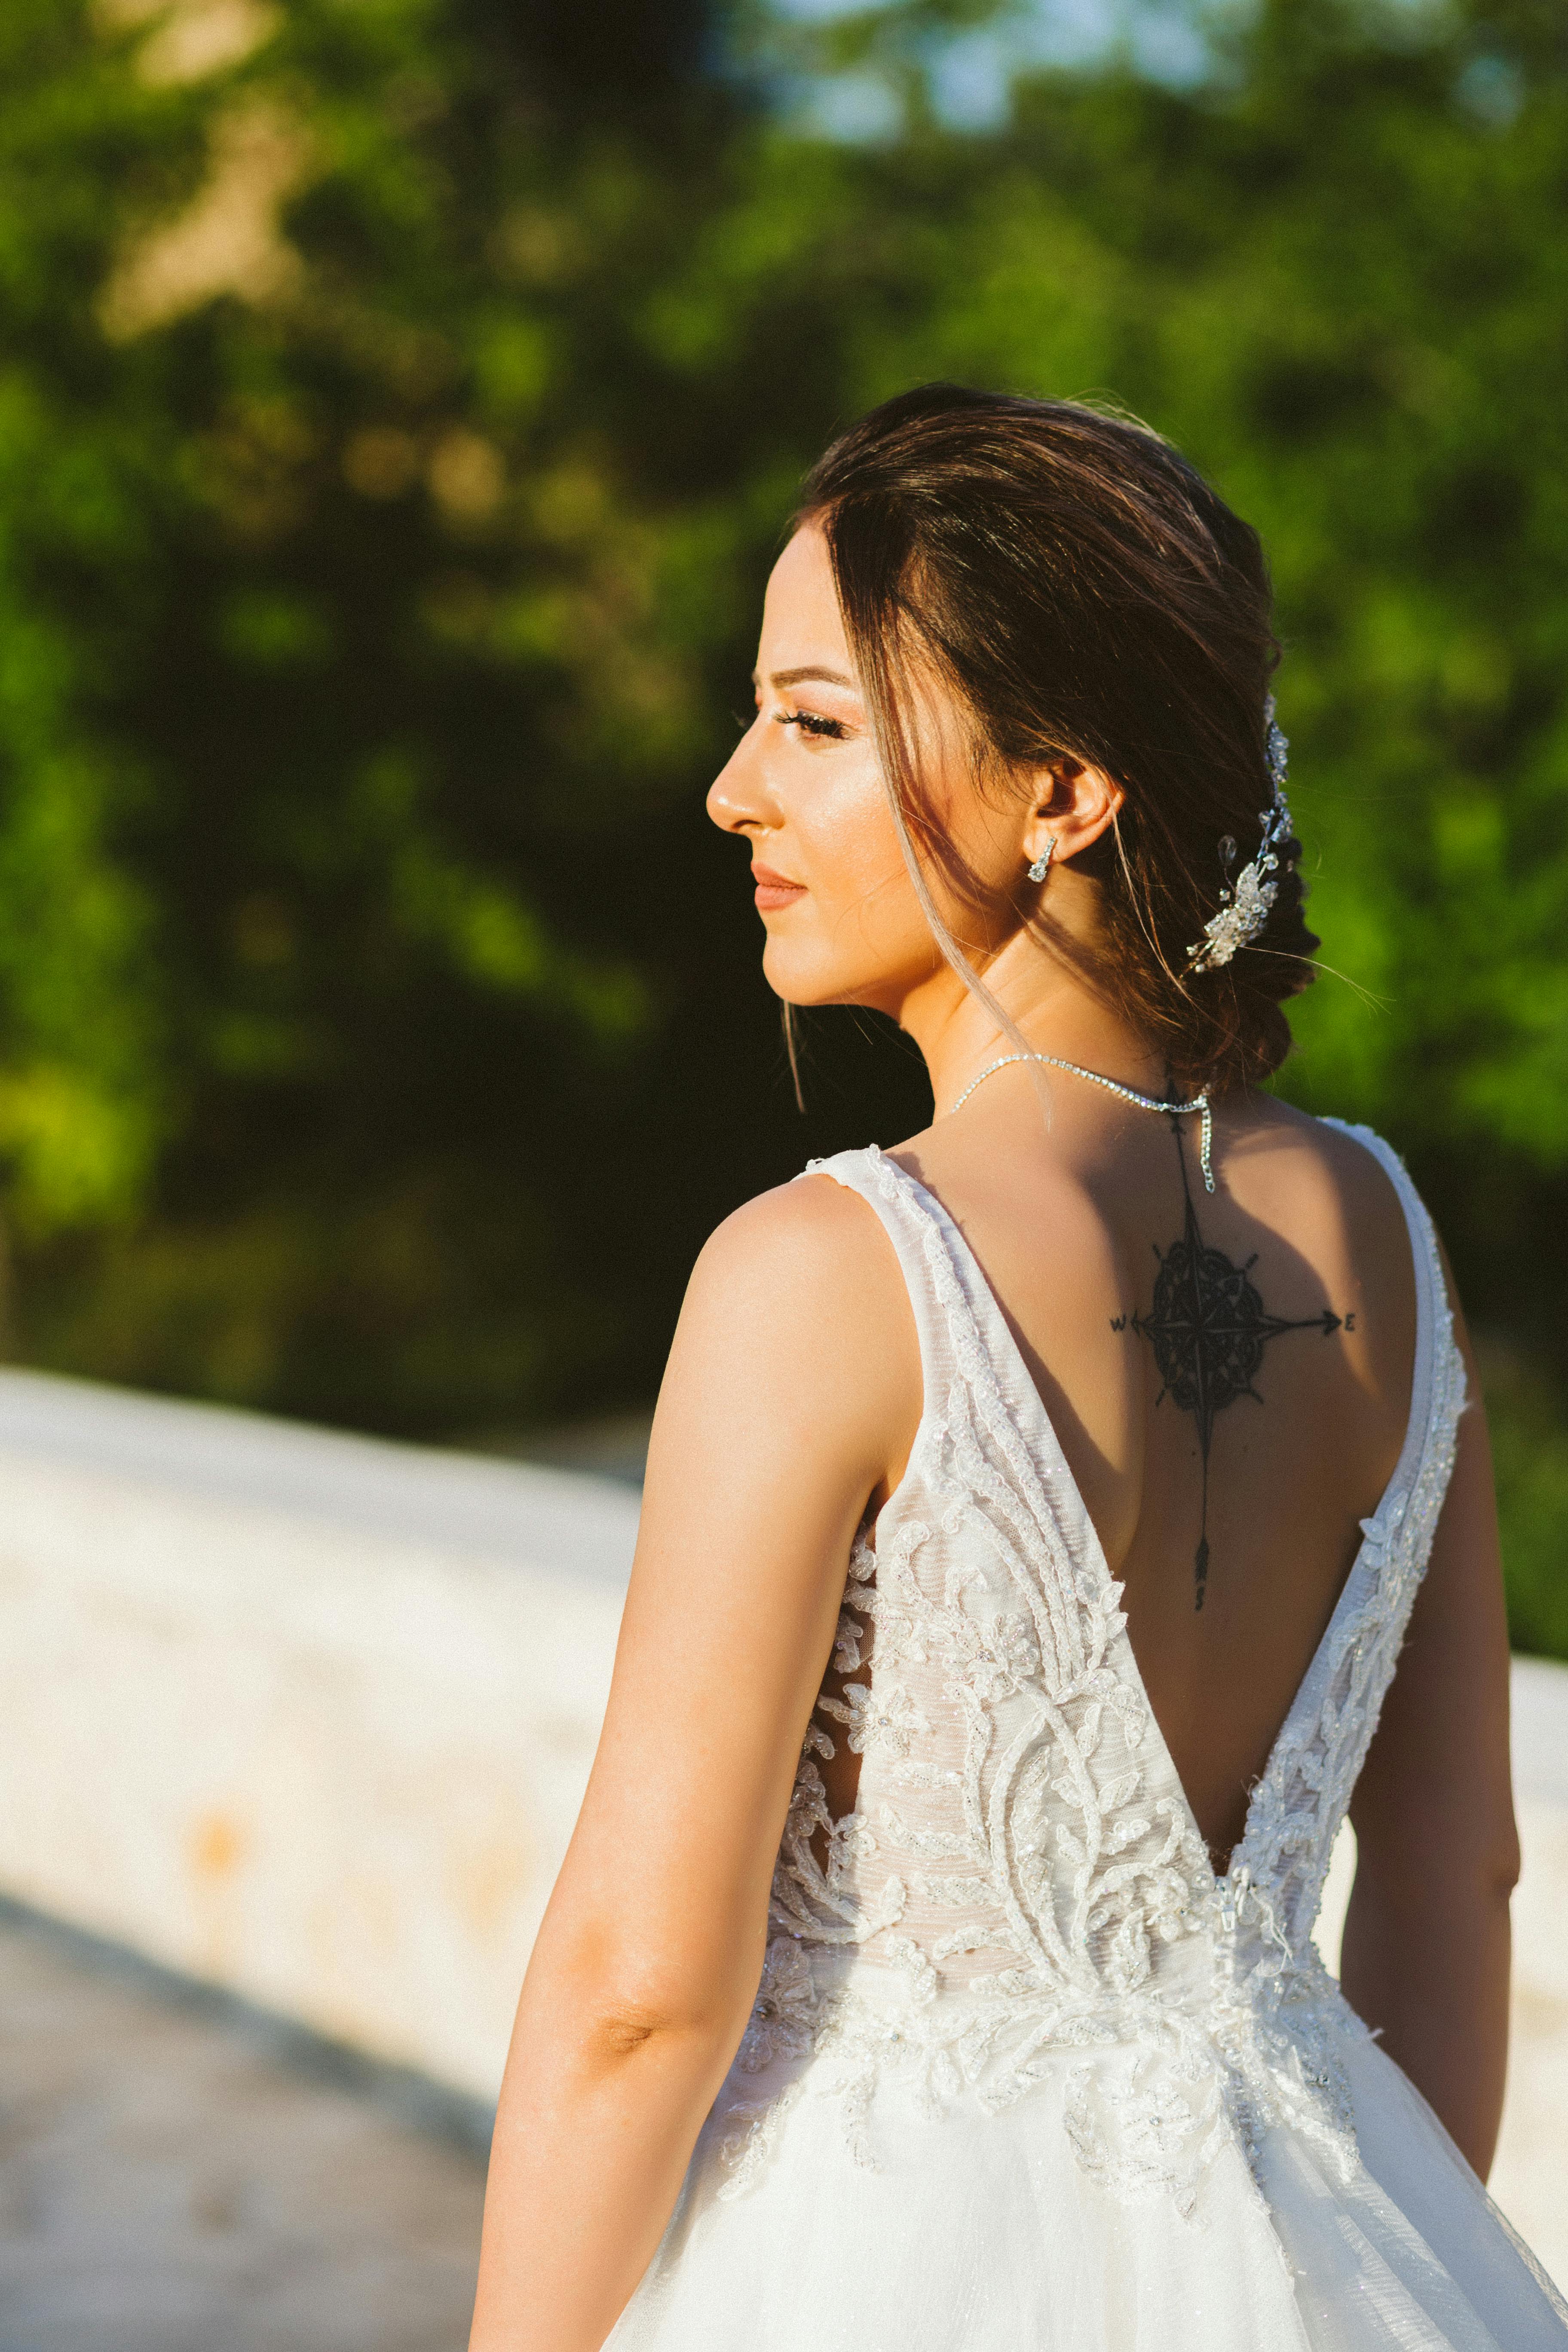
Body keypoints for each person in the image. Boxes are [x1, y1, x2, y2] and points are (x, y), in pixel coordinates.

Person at [469, 386, 1568, 2350]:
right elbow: (1456, 1875)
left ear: (1061, 792)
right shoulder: (1388, 1242)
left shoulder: (827, 1273)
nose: (731, 788)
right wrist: (1365, 2262)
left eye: (814, 723)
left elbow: (642, 1991)